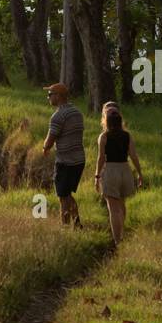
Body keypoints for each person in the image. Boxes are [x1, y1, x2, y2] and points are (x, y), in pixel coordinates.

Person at [95, 107, 143, 246]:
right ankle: (122, 232)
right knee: (121, 205)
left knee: (113, 209)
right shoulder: (127, 135)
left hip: (111, 170)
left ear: (106, 121)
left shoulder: (104, 136)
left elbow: (101, 158)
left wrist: (97, 176)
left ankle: (118, 241)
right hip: (125, 170)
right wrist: (139, 173)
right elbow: (133, 156)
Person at [42, 81, 85, 229]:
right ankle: (77, 223)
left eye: (50, 94)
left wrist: (45, 148)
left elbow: (49, 141)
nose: (48, 97)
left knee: (62, 196)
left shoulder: (58, 116)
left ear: (58, 96)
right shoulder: (77, 112)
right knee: (67, 194)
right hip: (79, 161)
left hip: (65, 162)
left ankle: (65, 227)